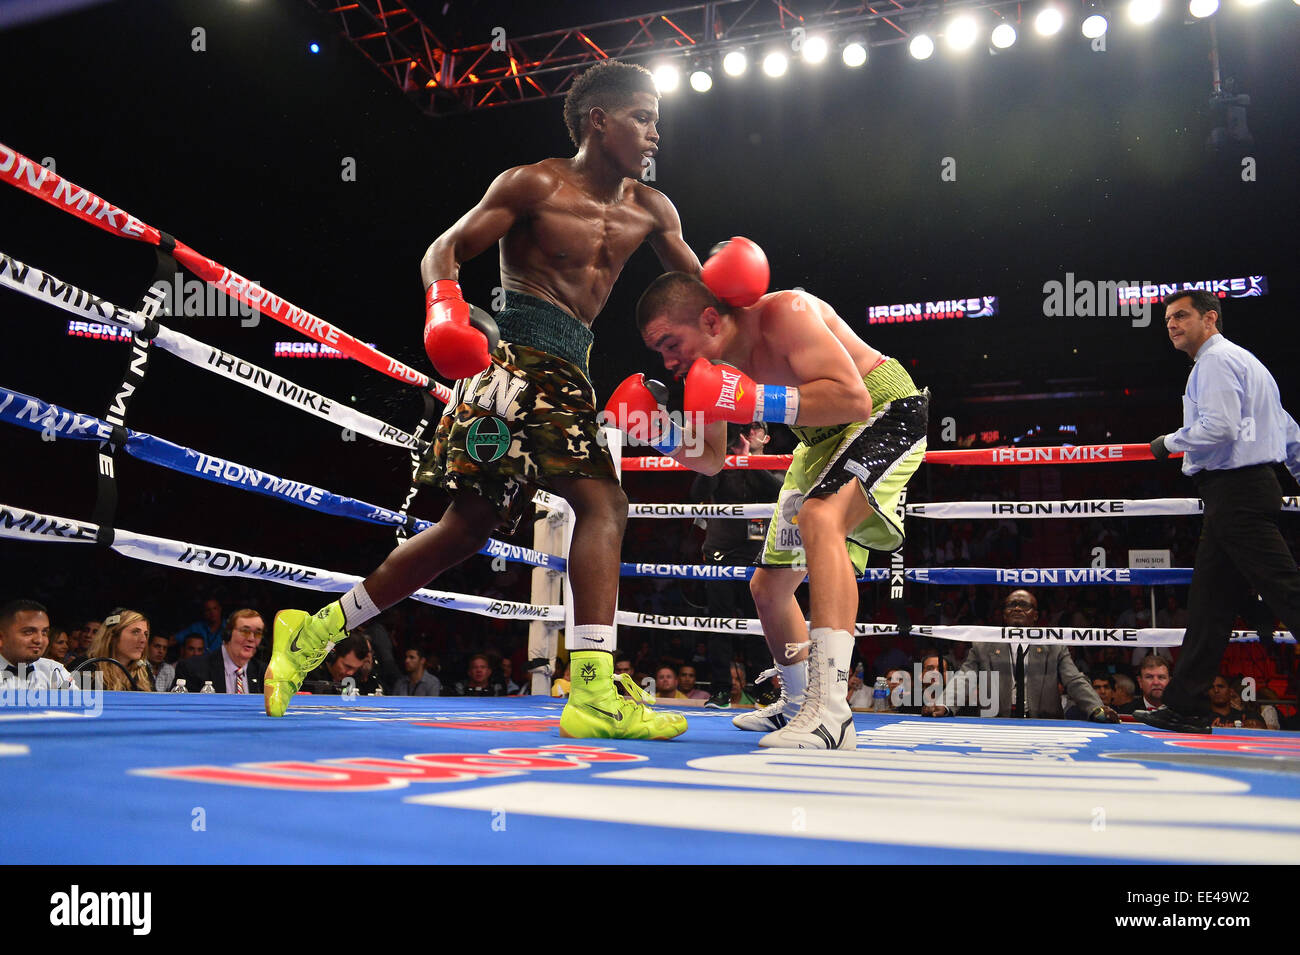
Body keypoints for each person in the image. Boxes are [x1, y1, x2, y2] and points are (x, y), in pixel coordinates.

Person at [263, 61, 699, 743]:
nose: (654, 133)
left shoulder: (653, 209)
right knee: (601, 502)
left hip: (570, 368)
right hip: (506, 363)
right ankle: (590, 690)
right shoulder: (533, 183)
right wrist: (446, 310)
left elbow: (705, 295)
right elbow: (443, 250)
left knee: (467, 528)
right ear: (599, 120)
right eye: (643, 117)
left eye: (656, 120)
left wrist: (755, 326)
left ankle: (314, 629)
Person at [627, 262, 929, 749]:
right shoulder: (711, 374)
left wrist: (751, 400)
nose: (667, 362)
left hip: (883, 412)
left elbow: (851, 398)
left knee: (821, 515)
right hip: (817, 443)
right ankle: (797, 702)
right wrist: (658, 434)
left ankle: (832, 712)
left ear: (708, 320)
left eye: (669, 344)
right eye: (658, 351)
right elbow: (708, 460)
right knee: (768, 585)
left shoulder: (786, 311)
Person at [1142, 290, 1300, 733]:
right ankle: (1187, 706)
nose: (1171, 324)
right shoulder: (1250, 364)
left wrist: (1168, 443)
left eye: (1181, 316)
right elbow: (1288, 432)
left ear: (1210, 318)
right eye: (1167, 318)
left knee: (1286, 590)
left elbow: (1221, 427)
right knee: (1209, 607)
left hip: (1238, 492)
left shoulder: (1214, 363)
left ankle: (1186, 705)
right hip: (1243, 491)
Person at [689, 422, 782, 707]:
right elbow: (697, 493)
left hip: (756, 557)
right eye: (746, 428)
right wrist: (726, 461)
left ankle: (762, 688)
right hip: (719, 554)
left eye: (756, 429)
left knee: (759, 624)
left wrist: (749, 462)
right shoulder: (721, 461)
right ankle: (720, 690)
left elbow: (779, 491)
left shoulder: (775, 463)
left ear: (765, 438)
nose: (748, 432)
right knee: (720, 625)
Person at [931, 590, 1116, 721]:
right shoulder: (983, 645)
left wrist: (1096, 708)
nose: (1017, 609)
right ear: (1004, 614)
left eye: (1024, 605)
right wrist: (945, 705)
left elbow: (1074, 680)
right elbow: (964, 678)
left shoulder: (1053, 645)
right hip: (996, 723)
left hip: (1045, 723)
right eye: (1012, 605)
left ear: (1035, 616)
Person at [174, 609, 266, 694]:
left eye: (258, 633)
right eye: (245, 631)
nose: (251, 638)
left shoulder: (264, 673)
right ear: (228, 634)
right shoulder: (192, 669)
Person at [0, 599, 73, 690]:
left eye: (44, 632)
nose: (39, 640)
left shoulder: (54, 670)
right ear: (1, 637)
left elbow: (80, 702)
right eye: (28, 632)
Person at [86, 610, 154, 692]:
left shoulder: (144, 673)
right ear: (113, 636)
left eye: (145, 634)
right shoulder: (87, 668)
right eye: (135, 632)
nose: (143, 640)